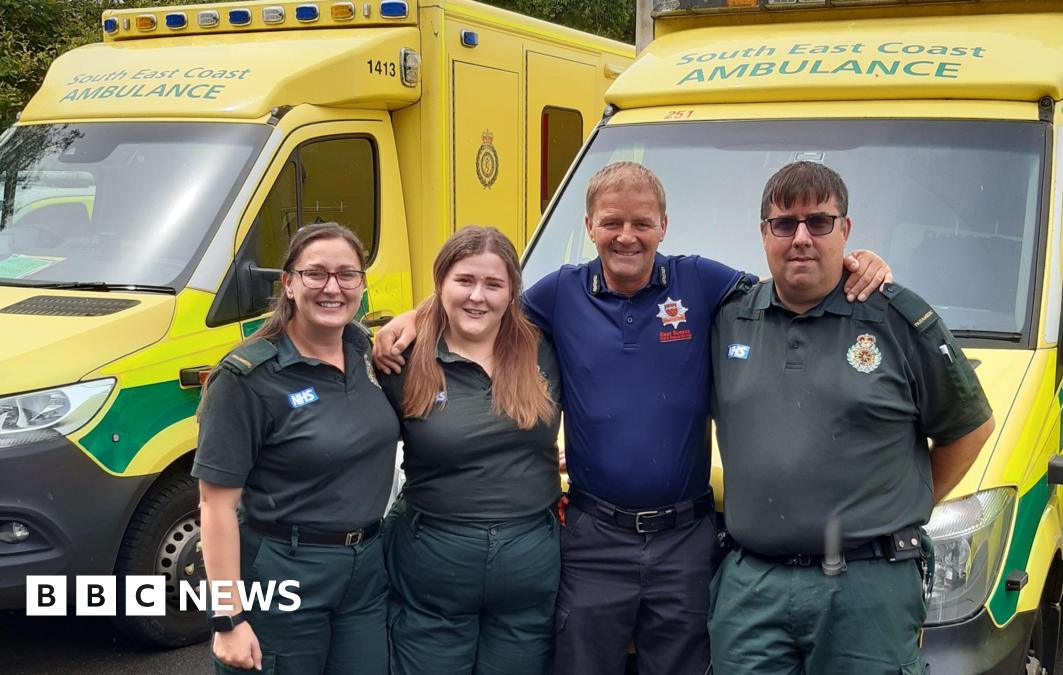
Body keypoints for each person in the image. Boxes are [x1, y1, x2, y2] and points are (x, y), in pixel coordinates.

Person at [374, 162, 891, 675]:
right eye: (612, 222)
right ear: (590, 227)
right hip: (593, 536)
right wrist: (416, 316)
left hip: (684, 538)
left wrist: (853, 261)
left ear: (663, 226)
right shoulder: (559, 293)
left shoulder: (701, 281)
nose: (627, 236)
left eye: (642, 223)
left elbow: (784, 285)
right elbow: (485, 300)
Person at [708, 161, 995, 674]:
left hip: (868, 587)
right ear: (763, 233)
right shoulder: (728, 318)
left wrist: (912, 503)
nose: (801, 238)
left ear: (846, 231)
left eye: (819, 222)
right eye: (784, 223)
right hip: (751, 586)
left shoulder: (898, 319)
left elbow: (970, 427)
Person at [194, 222, 397, 674]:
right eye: (315, 274)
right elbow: (215, 507)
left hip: (365, 572)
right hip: (284, 570)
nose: (333, 287)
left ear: (362, 285)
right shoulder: (248, 378)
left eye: (347, 275)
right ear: (288, 283)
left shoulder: (364, 351)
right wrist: (227, 618)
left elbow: (450, 303)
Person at [379, 226, 562, 674]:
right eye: (464, 281)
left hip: (528, 564)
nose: (477, 296)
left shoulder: (544, 348)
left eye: (493, 284)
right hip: (433, 564)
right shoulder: (401, 358)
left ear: (512, 291)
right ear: (440, 283)